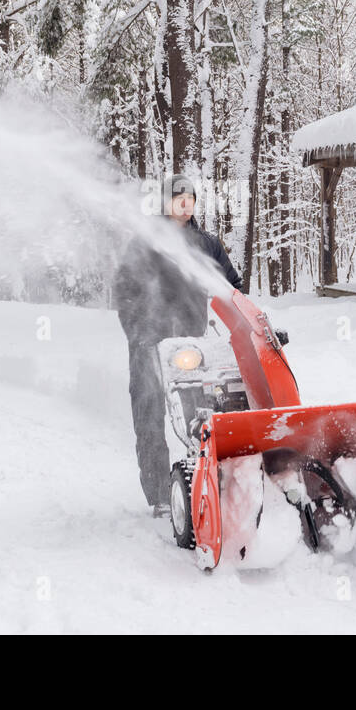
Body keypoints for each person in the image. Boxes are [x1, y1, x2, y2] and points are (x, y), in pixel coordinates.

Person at [113, 174, 242, 516]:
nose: (185, 203)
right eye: (178, 196)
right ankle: (159, 496)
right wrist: (137, 334)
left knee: (201, 413)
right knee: (150, 413)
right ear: (166, 202)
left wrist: (244, 322)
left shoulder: (207, 244)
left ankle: (203, 484)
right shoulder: (146, 241)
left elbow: (232, 287)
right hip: (149, 342)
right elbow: (124, 289)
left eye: (191, 197)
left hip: (190, 345)